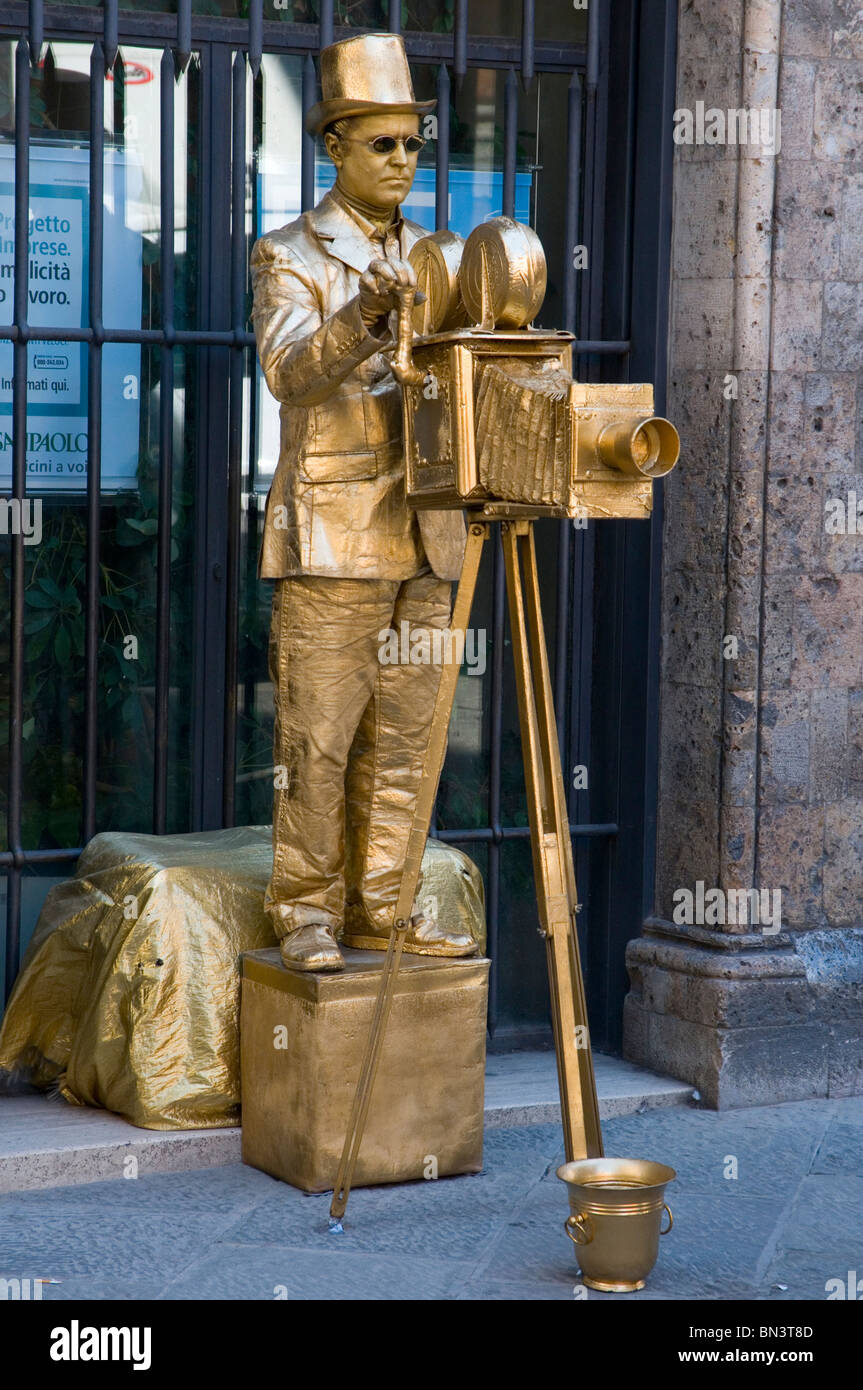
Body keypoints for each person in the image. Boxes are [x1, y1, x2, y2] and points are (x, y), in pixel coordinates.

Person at [250, 33, 476, 972]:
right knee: (319, 741)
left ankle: (383, 908)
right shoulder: (288, 252)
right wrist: (366, 316)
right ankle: (304, 910)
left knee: (407, 746)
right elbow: (291, 375)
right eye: (380, 143)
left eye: (413, 143)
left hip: (429, 537)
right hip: (334, 538)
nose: (401, 161)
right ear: (334, 148)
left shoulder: (444, 254)